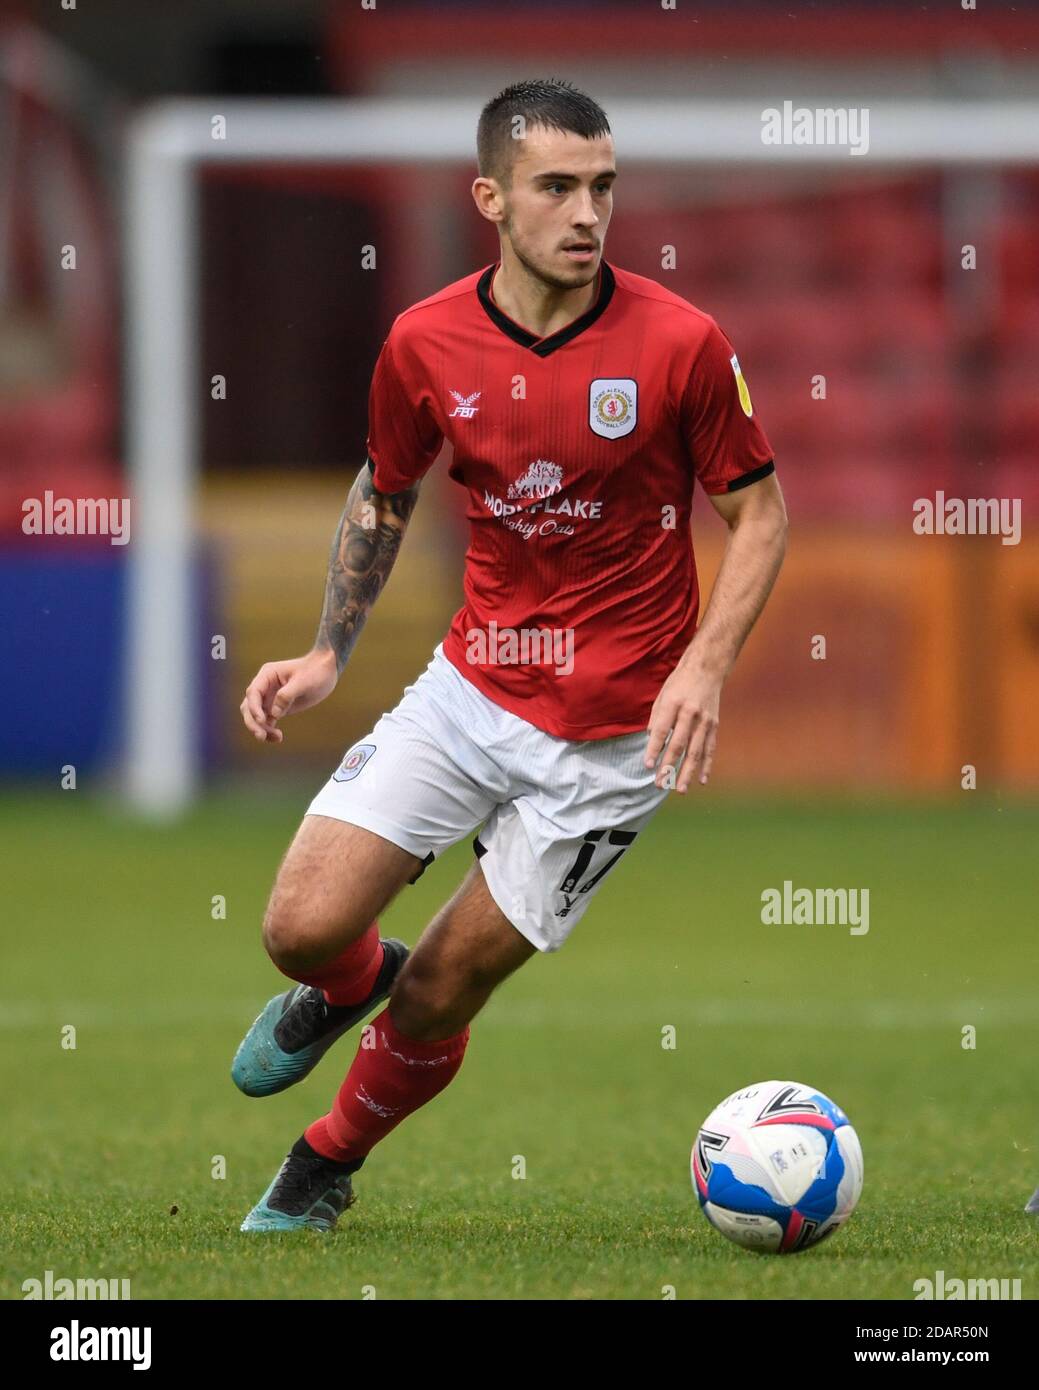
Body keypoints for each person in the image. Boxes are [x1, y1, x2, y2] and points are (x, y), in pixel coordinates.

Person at [233, 77, 788, 1232]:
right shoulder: (424, 341)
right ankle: (344, 983)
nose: (586, 212)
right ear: (490, 197)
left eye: (602, 186)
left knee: (440, 991)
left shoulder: (681, 343)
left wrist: (703, 665)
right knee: (296, 928)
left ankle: (324, 1159)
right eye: (556, 187)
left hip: (612, 745)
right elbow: (386, 493)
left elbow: (763, 514)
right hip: (471, 690)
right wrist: (328, 652)